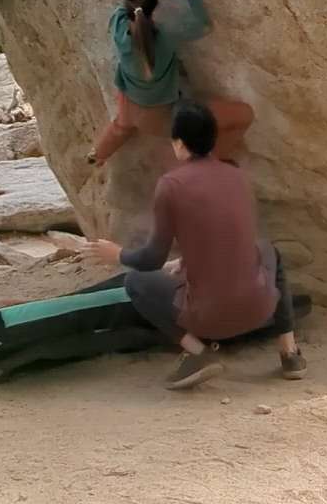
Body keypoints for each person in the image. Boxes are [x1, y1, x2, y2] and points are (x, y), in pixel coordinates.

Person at [83, 100, 306, 391]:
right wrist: (187, 262)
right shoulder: (237, 176)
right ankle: (290, 353)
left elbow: (151, 258)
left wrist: (118, 254)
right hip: (259, 309)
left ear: (178, 143)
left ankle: (198, 353)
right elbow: (230, 240)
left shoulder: (171, 185)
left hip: (210, 320)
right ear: (212, 139)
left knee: (136, 281)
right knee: (268, 250)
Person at [89, 0, 253, 167]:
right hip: (160, 118)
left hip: (129, 103)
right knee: (243, 115)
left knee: (121, 126)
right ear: (156, 6)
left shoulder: (118, 26)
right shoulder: (167, 35)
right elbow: (203, 24)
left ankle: (96, 156)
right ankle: (214, 162)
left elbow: (131, 5)